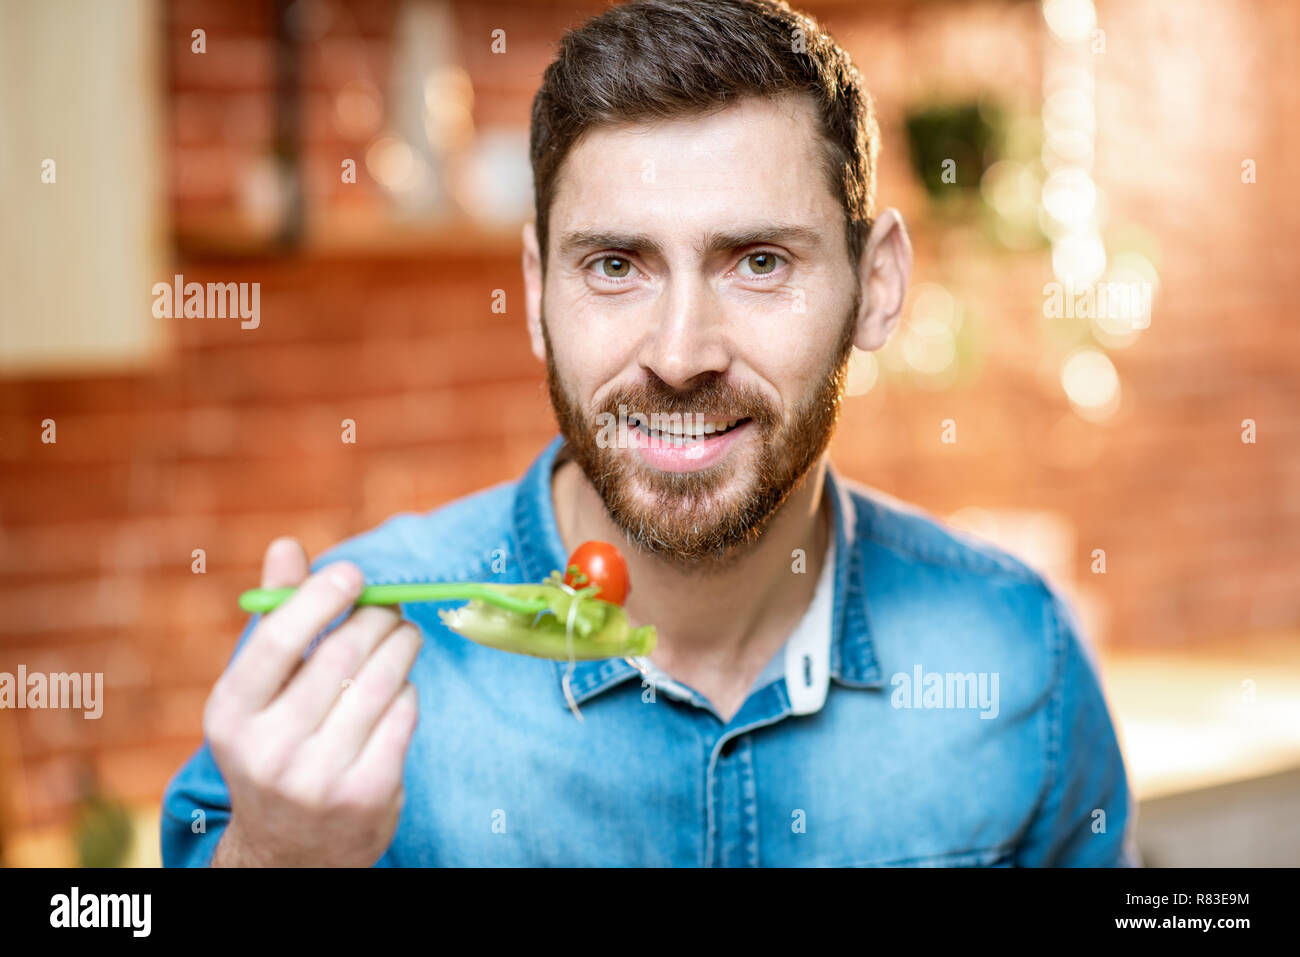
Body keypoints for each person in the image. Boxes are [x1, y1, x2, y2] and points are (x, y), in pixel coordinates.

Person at [162, 0, 1139, 867]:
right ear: (539, 292)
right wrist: (278, 862)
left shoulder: (1014, 651)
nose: (679, 356)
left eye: (757, 262)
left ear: (875, 285)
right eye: (616, 266)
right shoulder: (344, 674)